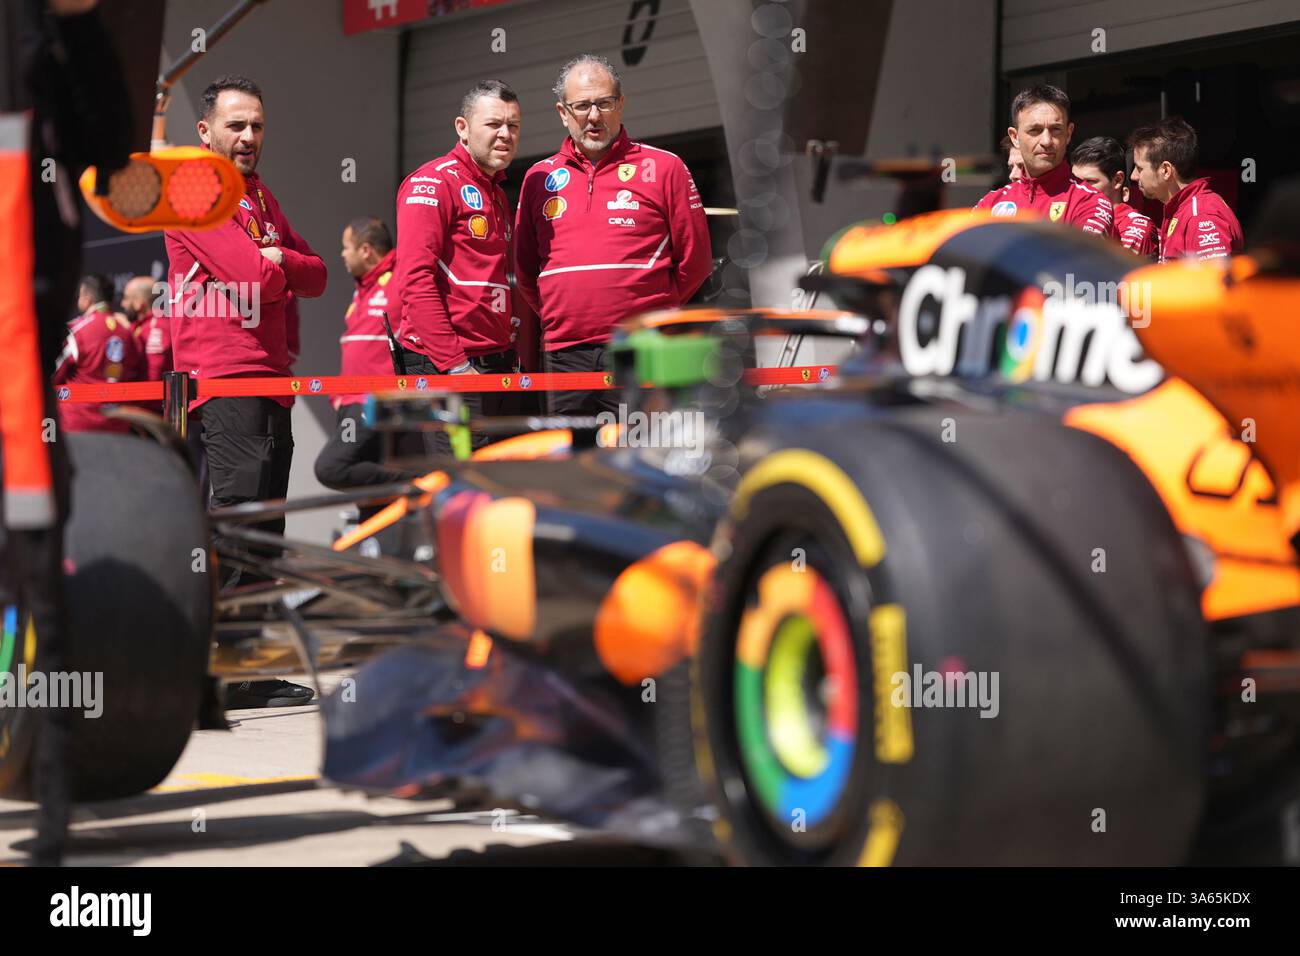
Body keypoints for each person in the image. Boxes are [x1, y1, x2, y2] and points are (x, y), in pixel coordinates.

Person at [164, 74, 326, 707]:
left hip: (270, 381)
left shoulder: (256, 194)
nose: (249, 136)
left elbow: (313, 274)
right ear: (204, 132)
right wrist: (278, 260)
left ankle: (246, 669)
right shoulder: (193, 188)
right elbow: (254, 277)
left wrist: (279, 260)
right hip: (227, 380)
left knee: (262, 535)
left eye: (257, 124)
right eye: (236, 125)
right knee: (235, 530)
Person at [514, 54, 712, 417]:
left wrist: (646, 313)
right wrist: (566, 313)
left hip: (641, 348)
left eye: (604, 103)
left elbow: (695, 262)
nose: (594, 116)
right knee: (573, 464)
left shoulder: (665, 167)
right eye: (582, 106)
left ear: (620, 105)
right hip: (563, 353)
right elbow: (526, 270)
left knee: (640, 459)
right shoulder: (537, 179)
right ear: (562, 112)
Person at [393, 79, 522, 454]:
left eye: (513, 125)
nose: (505, 135)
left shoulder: (495, 191)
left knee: (494, 487)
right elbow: (415, 280)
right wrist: (456, 367)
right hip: (451, 369)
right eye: (493, 124)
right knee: (463, 490)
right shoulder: (432, 182)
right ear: (462, 128)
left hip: (493, 368)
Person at [315, 216, 417, 494]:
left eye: (346, 247)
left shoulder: (402, 279)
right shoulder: (364, 287)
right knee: (368, 500)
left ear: (366, 250)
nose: (342, 254)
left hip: (376, 402)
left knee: (330, 468)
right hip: (350, 403)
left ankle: (420, 483)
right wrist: (339, 397)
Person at [975, 84, 1114, 238]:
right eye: (1035, 130)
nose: (1047, 141)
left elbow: (1079, 260)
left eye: (1056, 130)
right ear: (1015, 137)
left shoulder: (1090, 202)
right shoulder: (990, 203)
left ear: (1068, 134)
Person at [1128, 117, 1243, 263]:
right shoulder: (1181, 210)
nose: (1133, 176)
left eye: (1139, 168)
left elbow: (1214, 283)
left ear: (1166, 170)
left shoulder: (1201, 216)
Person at [53, 273, 143, 433]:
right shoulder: (127, 331)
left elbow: (54, 373)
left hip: (79, 424)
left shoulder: (76, 330)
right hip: (118, 424)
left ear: (87, 298)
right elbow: (136, 368)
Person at [1070, 136, 1157, 258]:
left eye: (1090, 181)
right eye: (1076, 182)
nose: (1081, 189)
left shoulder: (1136, 228)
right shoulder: (1070, 217)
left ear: (1117, 180)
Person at [121, 274, 172, 386]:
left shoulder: (156, 328)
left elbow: (153, 376)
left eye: (126, 298)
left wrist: (136, 403)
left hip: (149, 401)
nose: (122, 304)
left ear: (139, 302)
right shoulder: (139, 325)